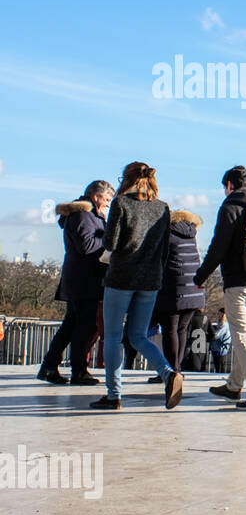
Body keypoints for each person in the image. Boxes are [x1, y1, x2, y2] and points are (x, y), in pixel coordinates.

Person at [92, 162, 183, 410]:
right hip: (151, 279)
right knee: (139, 335)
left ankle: (114, 395)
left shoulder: (121, 204)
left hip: (122, 277)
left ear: (127, 179)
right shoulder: (162, 208)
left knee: (112, 336)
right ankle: (168, 373)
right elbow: (164, 250)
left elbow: (110, 243)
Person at [194, 165, 246, 409]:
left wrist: (200, 276)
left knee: (241, 337)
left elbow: (218, 247)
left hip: (239, 283)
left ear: (229, 185)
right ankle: (234, 386)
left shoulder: (230, 208)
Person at [39, 180, 113, 386]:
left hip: (80, 278)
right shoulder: (84, 215)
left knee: (71, 325)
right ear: (96, 196)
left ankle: (49, 366)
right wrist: (108, 241)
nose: (108, 204)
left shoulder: (85, 215)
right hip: (85, 280)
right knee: (85, 326)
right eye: (107, 200)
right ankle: (78, 370)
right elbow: (88, 246)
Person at [150, 208, 206, 377]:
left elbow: (158, 259)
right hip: (194, 291)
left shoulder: (166, 232)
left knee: (170, 329)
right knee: (181, 329)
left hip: (173, 289)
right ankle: (176, 369)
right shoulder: (191, 234)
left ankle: (170, 372)